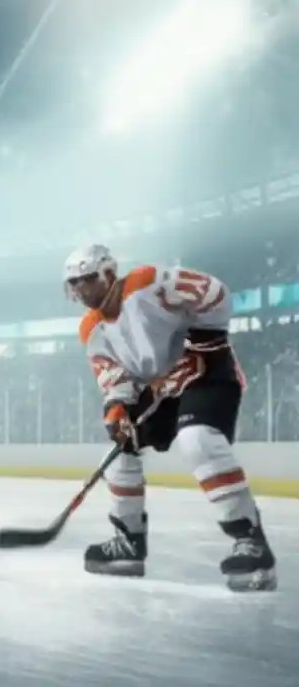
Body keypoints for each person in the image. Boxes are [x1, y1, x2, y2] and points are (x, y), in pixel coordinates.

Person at [63, 243, 277, 592]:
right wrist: (116, 407)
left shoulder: (148, 283)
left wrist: (202, 343)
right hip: (161, 389)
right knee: (120, 450)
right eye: (73, 284)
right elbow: (114, 376)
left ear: (107, 273)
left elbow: (215, 293)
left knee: (198, 440)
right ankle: (129, 543)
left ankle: (251, 541)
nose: (79, 290)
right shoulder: (91, 329)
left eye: (85, 280)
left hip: (207, 371)